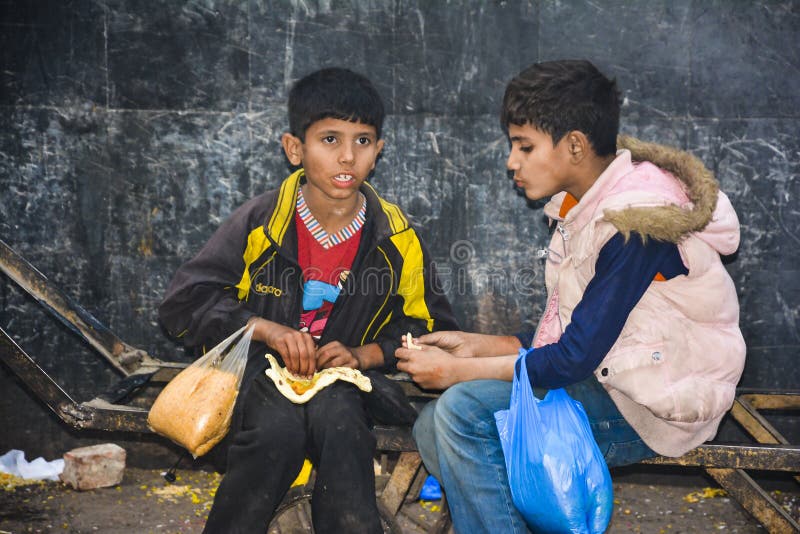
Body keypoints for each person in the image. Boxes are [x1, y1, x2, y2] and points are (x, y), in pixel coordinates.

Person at [395, 59, 745, 533]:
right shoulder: (587, 209)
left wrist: (459, 372)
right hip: (613, 380)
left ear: (575, 145)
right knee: (431, 426)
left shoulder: (636, 225)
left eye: (525, 146)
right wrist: (478, 345)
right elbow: (570, 334)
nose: (510, 161)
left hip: (654, 406)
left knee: (460, 414)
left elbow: (573, 357)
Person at [158, 67, 457, 534]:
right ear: (295, 149)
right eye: (330, 139)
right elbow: (184, 303)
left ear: (378, 153)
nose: (347, 156)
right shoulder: (261, 223)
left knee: (338, 417)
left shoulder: (397, 238)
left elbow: (430, 327)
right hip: (259, 377)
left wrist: (363, 354)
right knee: (277, 429)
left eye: (362, 141)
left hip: (348, 384)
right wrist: (269, 330)